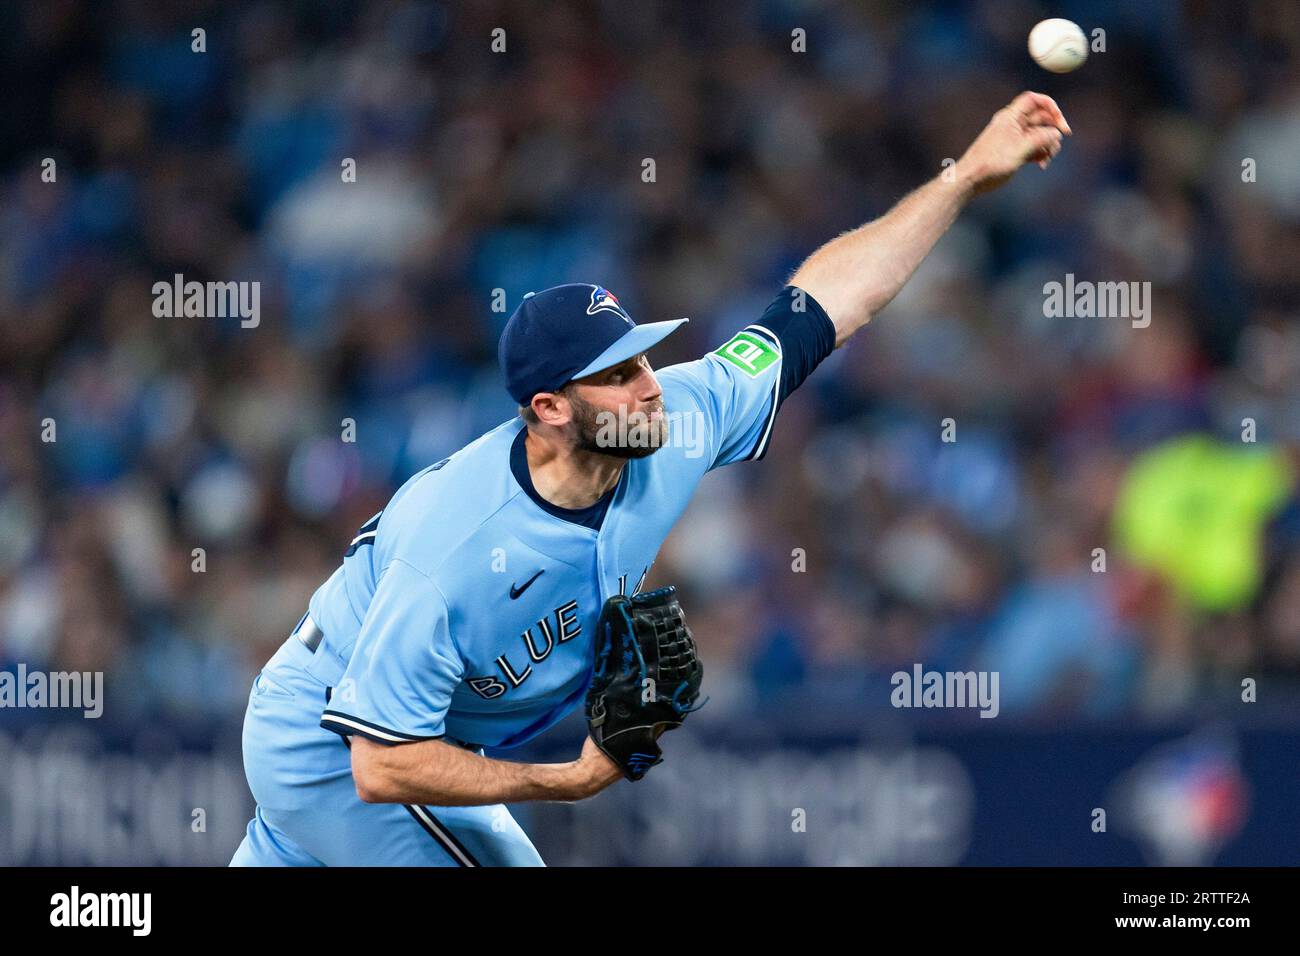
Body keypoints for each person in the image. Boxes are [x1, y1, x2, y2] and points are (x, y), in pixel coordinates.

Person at [230, 92, 1070, 866]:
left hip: (403, 741)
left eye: (641, 358)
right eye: (618, 375)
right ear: (552, 408)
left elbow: (821, 307)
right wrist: (566, 779)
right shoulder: (454, 544)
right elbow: (381, 764)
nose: (650, 385)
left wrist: (962, 176)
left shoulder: (678, 421)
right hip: (330, 750)